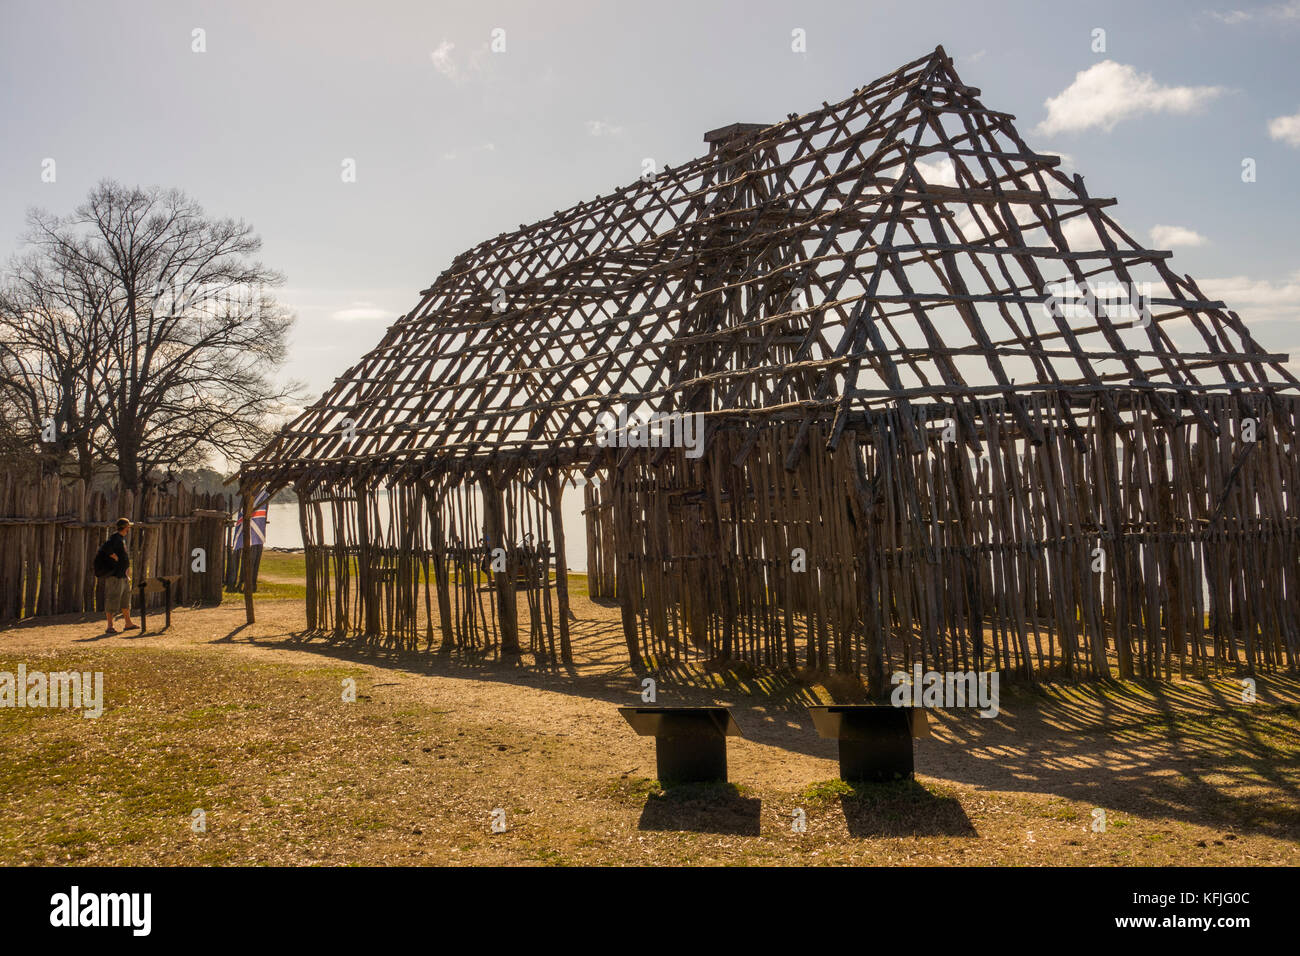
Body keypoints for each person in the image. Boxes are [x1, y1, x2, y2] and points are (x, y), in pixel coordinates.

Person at [101, 518, 138, 634]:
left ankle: (128, 623)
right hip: (115, 576)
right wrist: (114, 557)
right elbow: (105, 548)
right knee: (112, 599)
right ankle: (109, 626)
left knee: (125, 600)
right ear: (124, 527)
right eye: (128, 527)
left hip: (122, 575)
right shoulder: (115, 538)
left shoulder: (121, 539)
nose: (129, 529)